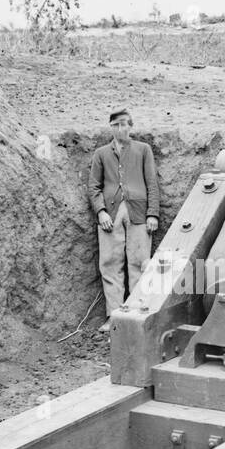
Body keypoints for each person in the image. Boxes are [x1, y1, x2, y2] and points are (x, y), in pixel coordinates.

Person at [89, 108, 160, 332]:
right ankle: (115, 316)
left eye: (124, 124)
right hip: (110, 214)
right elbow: (93, 186)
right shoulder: (101, 154)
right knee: (110, 263)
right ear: (111, 127)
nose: (121, 129)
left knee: (140, 262)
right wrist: (100, 211)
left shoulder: (143, 150)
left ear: (131, 126)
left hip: (138, 212)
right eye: (116, 125)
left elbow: (152, 183)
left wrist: (152, 213)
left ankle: (138, 315)